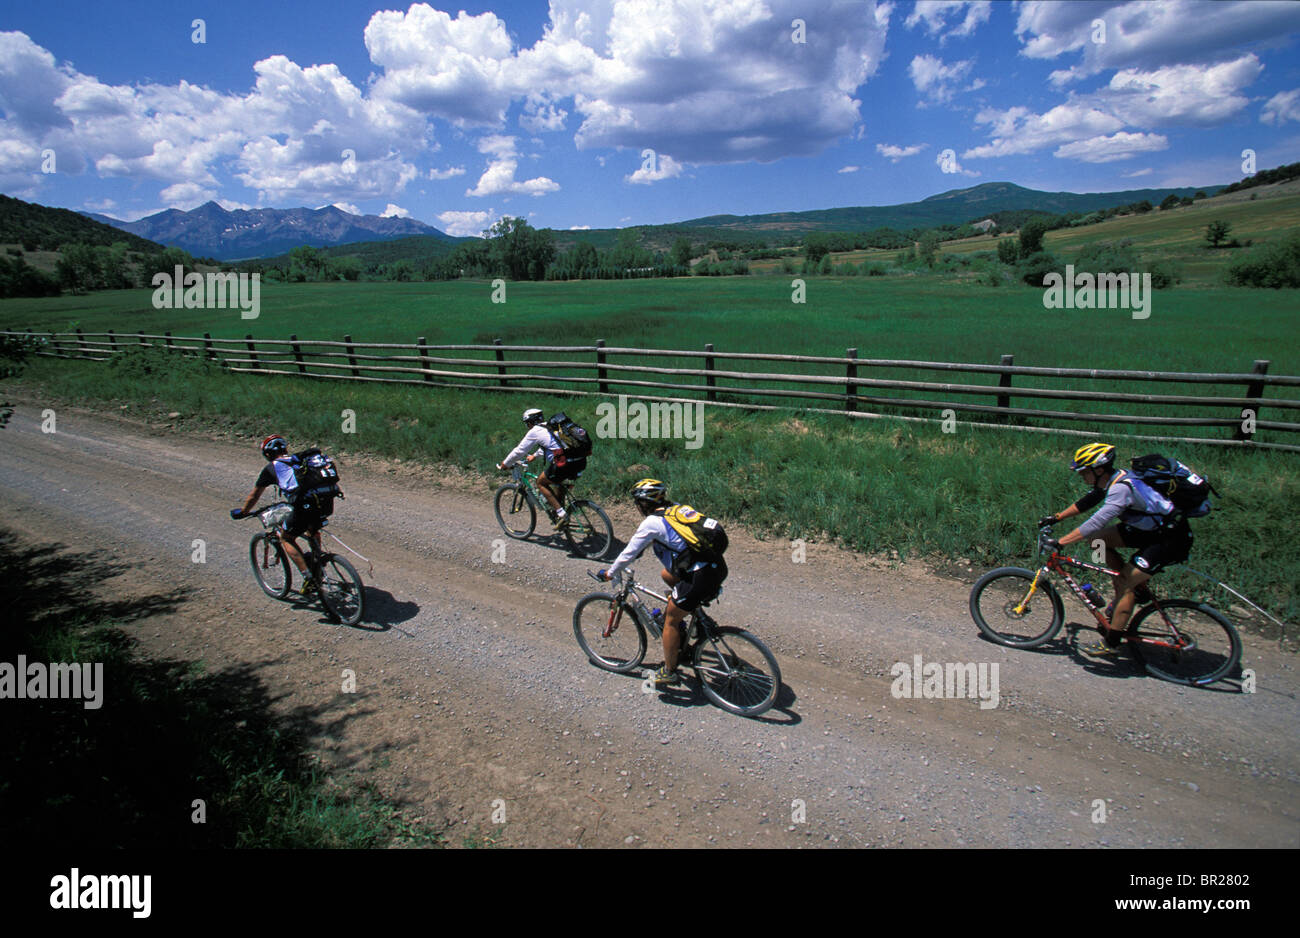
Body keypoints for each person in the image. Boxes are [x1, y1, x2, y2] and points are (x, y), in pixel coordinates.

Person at [1040, 442, 1191, 658]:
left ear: (1098, 469)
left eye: (1083, 471)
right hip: (1152, 529)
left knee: (1123, 583)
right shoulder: (1116, 477)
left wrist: (1061, 542)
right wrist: (1056, 518)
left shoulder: (1121, 489)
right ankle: (1130, 587)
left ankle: (1112, 641)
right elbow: (1090, 500)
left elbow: (1097, 521)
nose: (1081, 475)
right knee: (1096, 541)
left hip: (1170, 540)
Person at [598, 478, 727, 688]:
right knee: (667, 575)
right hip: (716, 567)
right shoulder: (676, 509)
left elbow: (628, 552)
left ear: (643, 504)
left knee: (670, 620)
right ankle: (699, 620)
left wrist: (611, 573)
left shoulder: (651, 523)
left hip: (700, 576)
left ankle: (669, 672)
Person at [230, 434, 339, 596]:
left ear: (267, 454)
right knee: (311, 528)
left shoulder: (271, 468)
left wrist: (244, 511)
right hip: (326, 502)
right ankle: (317, 561)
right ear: (285, 449)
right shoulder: (299, 462)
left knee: (286, 537)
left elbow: (254, 496)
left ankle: (309, 577)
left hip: (306, 505)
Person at [496, 408, 585, 526]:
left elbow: (519, 451)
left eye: (527, 423)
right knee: (558, 483)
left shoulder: (535, 431)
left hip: (563, 464)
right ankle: (559, 513)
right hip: (580, 461)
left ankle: (562, 515)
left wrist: (505, 464)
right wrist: (534, 456)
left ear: (530, 422)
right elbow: (553, 446)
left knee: (540, 482)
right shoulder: (552, 427)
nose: (527, 426)